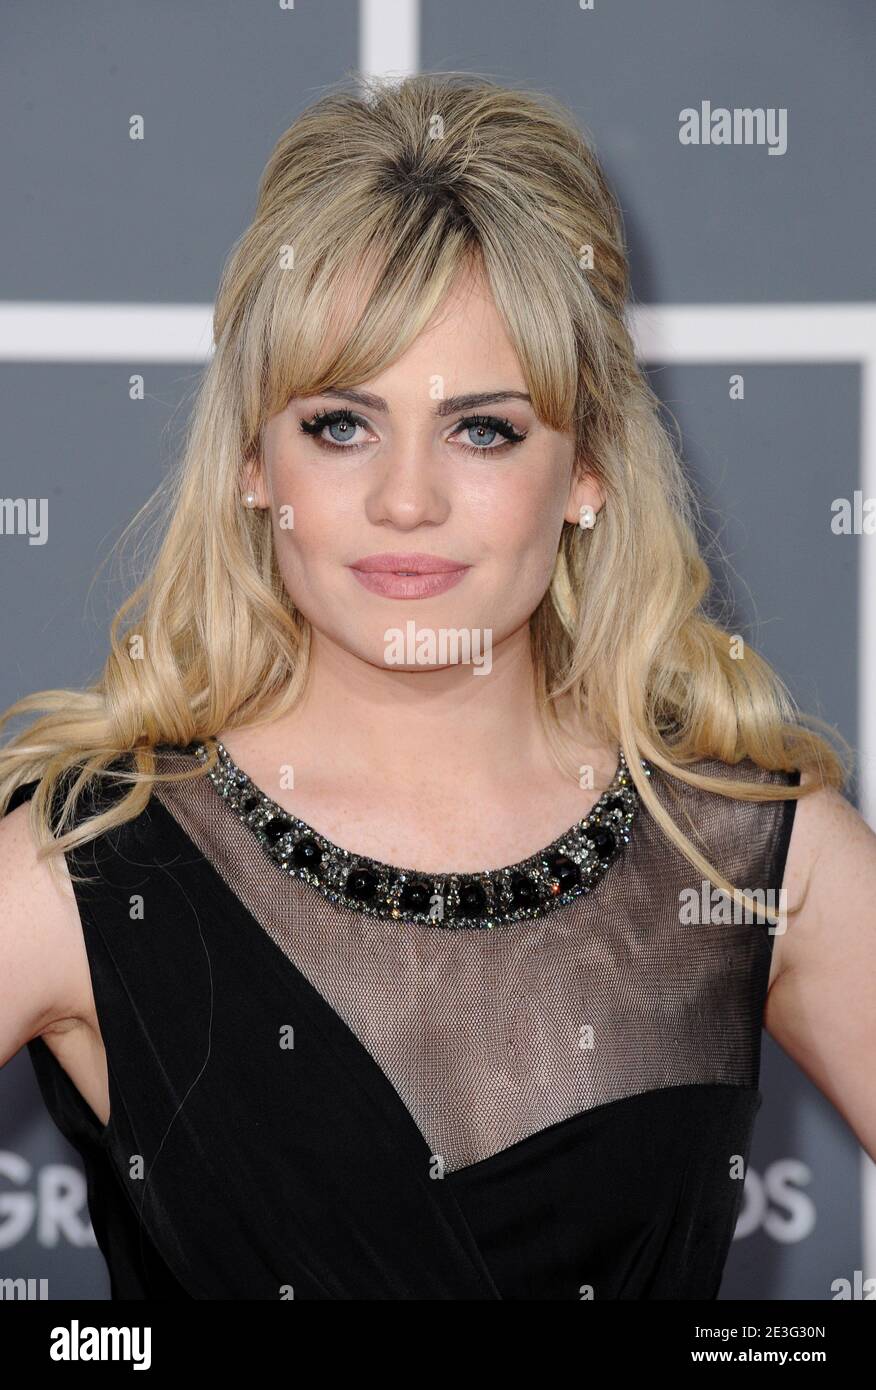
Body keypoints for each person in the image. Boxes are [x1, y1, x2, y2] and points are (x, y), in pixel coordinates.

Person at [1, 71, 874, 1301]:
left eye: (484, 429)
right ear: (255, 461)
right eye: (342, 425)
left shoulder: (748, 855)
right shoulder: (85, 864)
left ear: (590, 469)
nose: (405, 499)